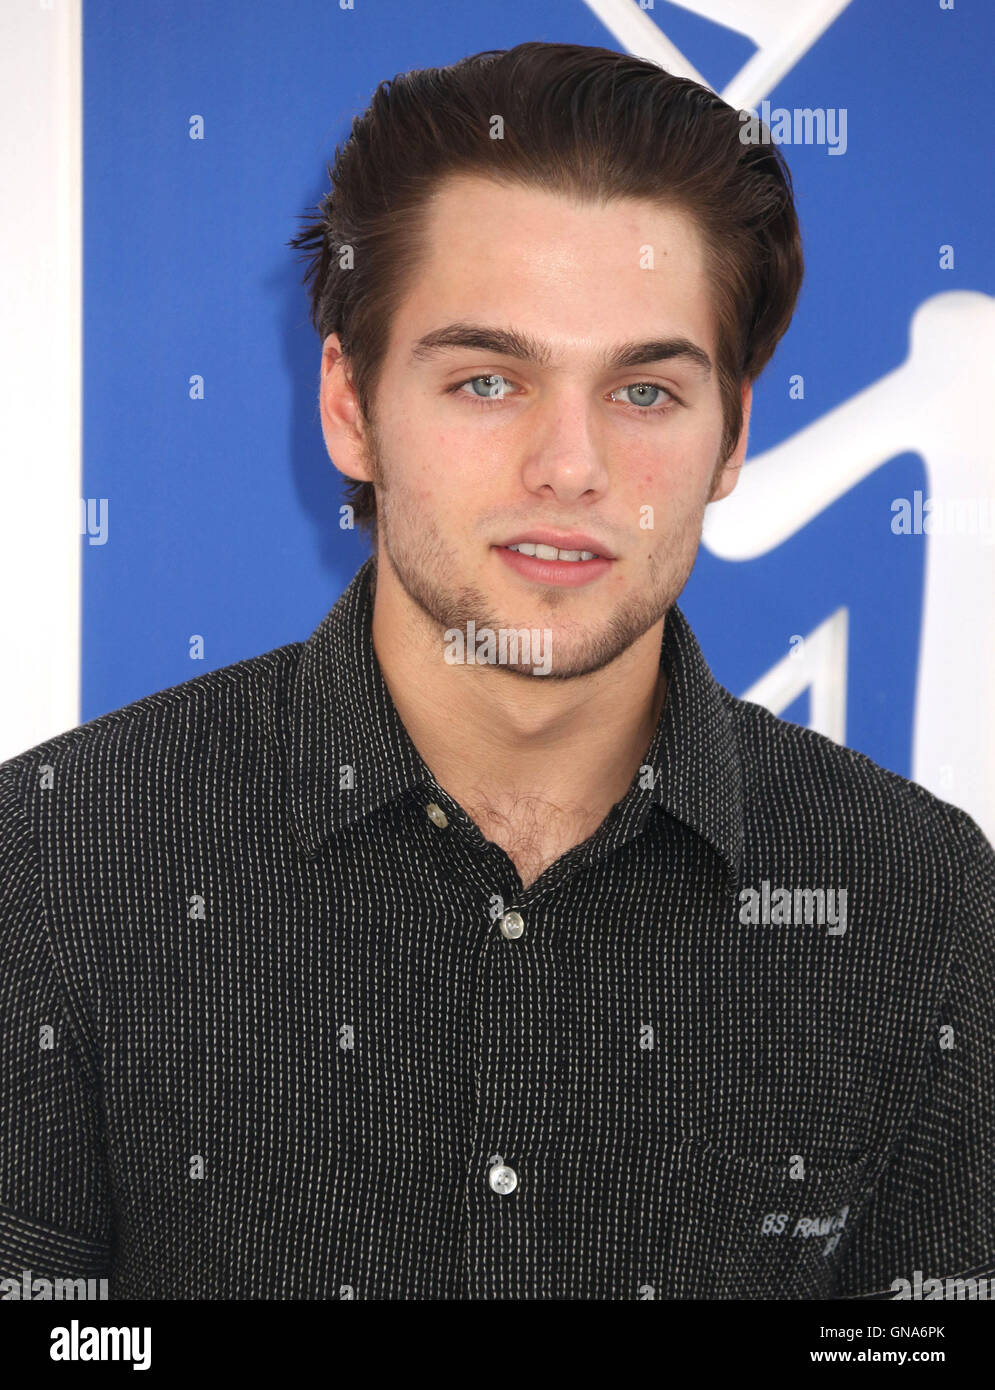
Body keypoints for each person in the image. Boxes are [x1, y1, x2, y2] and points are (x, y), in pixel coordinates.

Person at [1, 41, 992, 1302]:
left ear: (732, 437)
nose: (568, 466)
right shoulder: (51, 865)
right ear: (350, 407)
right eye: (486, 379)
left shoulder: (918, 902)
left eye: (641, 391)